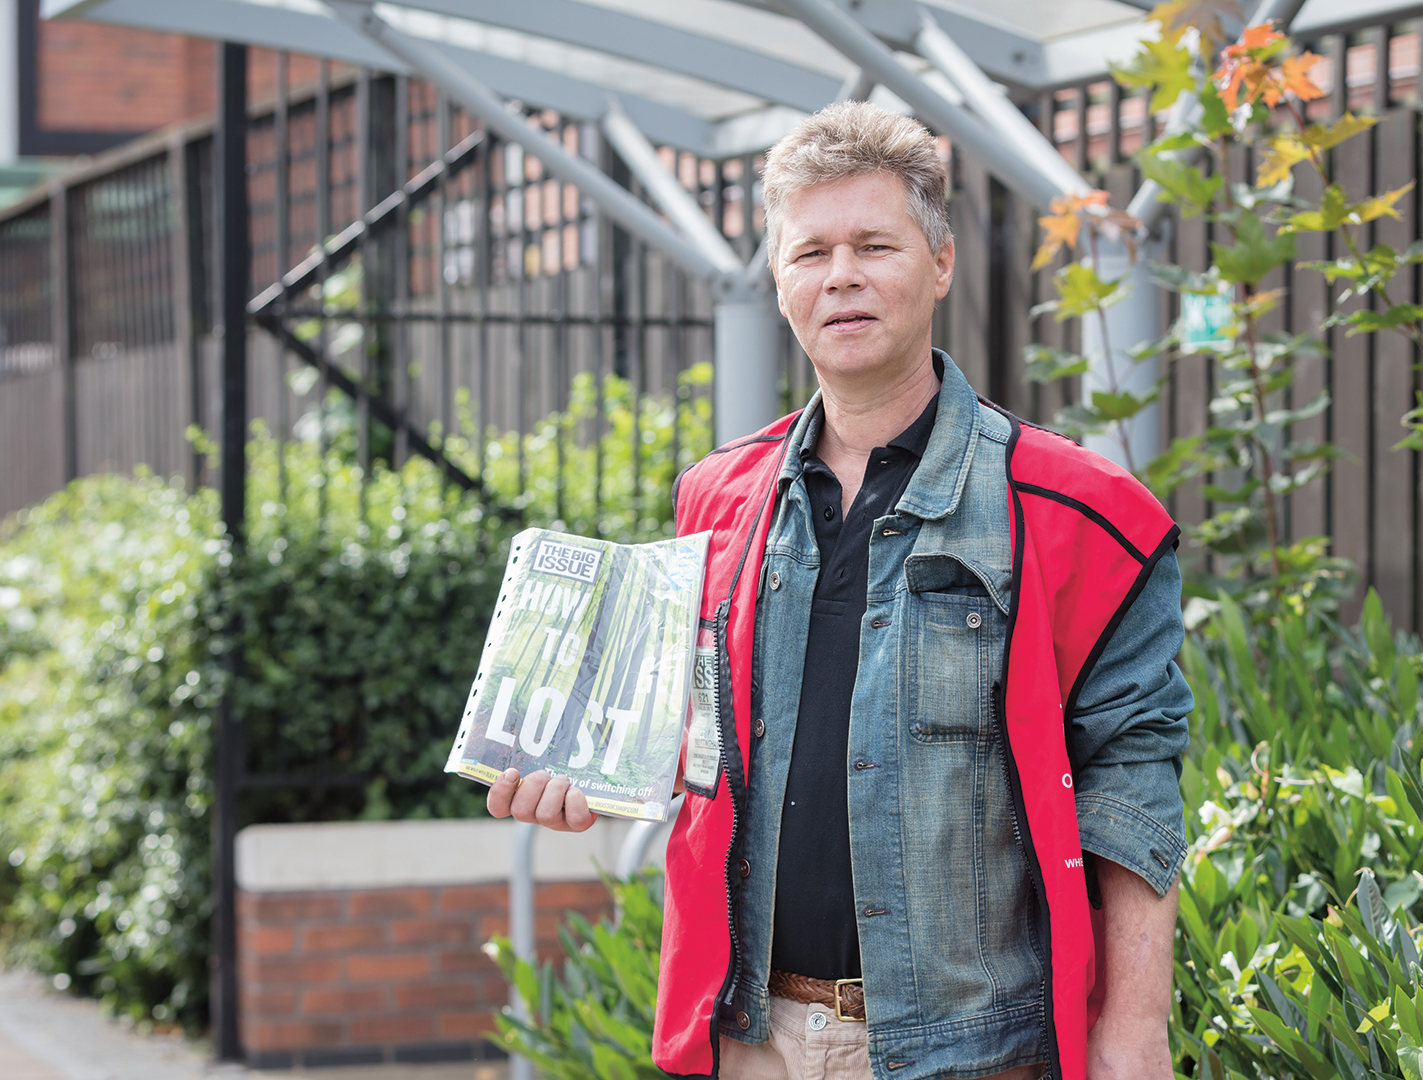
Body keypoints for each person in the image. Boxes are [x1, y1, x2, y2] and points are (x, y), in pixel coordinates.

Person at [487, 101, 1192, 1080]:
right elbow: (691, 750)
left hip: (976, 1054)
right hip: (751, 1039)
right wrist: (583, 772)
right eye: (811, 250)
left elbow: (1131, 778)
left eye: (874, 244)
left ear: (939, 262)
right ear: (779, 279)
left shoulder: (1079, 512)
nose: (841, 276)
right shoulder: (714, 497)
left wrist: (1133, 1032)